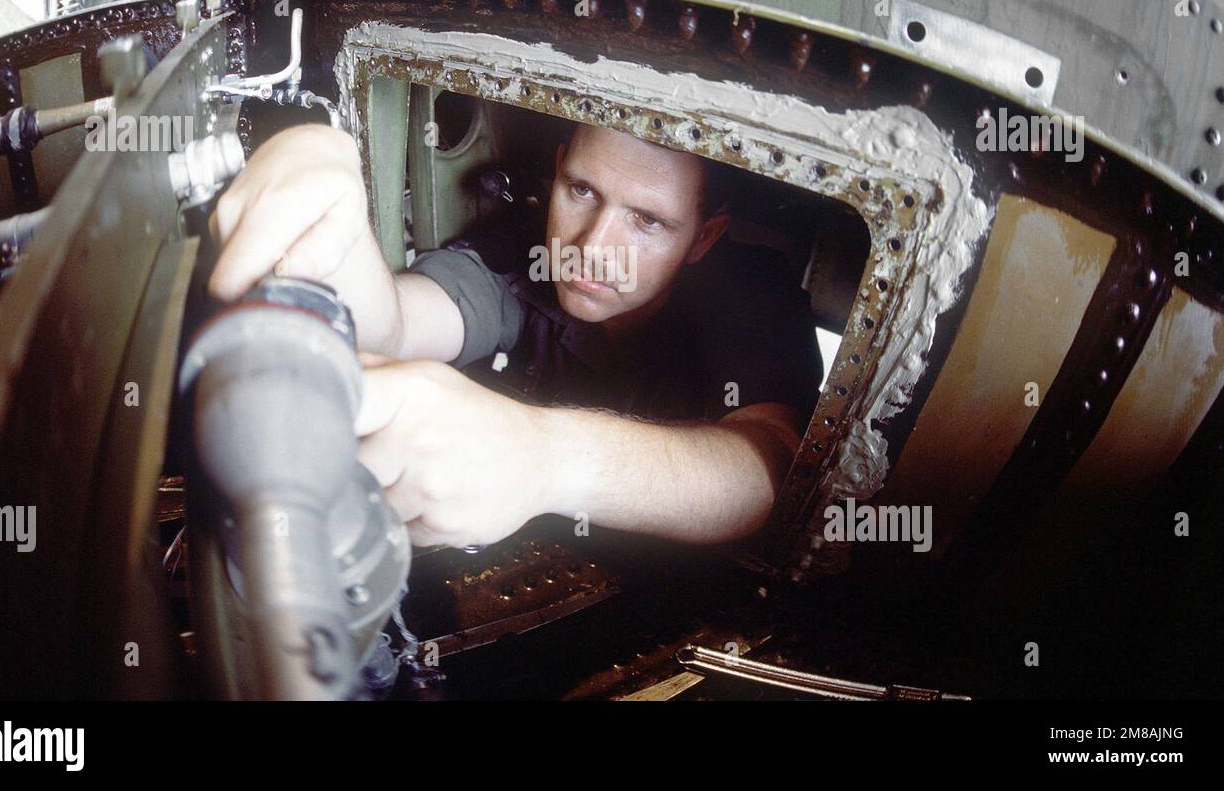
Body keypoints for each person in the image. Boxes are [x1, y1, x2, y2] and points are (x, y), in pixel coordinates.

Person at [208, 120, 822, 549]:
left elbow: (771, 464)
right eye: (582, 191)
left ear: (705, 237)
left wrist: (541, 457)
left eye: (648, 221)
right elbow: (391, 325)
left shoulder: (746, 291)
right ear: (556, 173)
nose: (591, 249)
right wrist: (324, 199)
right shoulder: (523, 251)